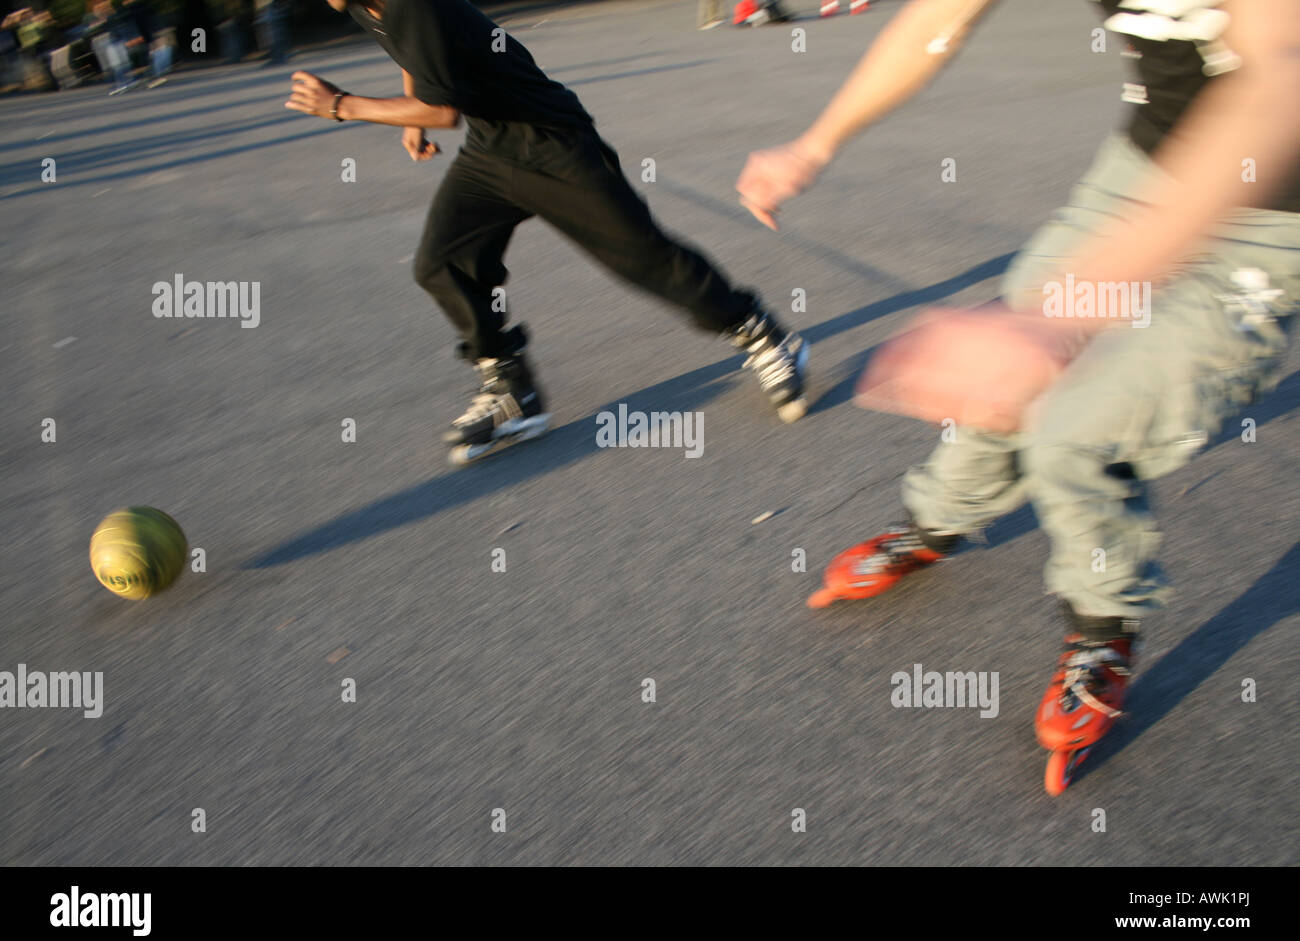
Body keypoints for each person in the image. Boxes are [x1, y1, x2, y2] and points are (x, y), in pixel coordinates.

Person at [737, 0, 1300, 794]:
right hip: (1142, 167)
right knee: (1001, 364)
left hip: (1279, 208)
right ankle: (938, 519)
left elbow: (1281, 76)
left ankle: (1103, 626)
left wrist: (1056, 319)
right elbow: (938, 19)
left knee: (1079, 424)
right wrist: (814, 143)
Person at [287, 0, 808, 464]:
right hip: (492, 150)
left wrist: (341, 106)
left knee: (644, 259)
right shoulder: (364, 6)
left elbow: (444, 110)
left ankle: (760, 333)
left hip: (553, 144)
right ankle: (513, 391)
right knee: (442, 263)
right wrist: (409, 120)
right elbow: (413, 59)